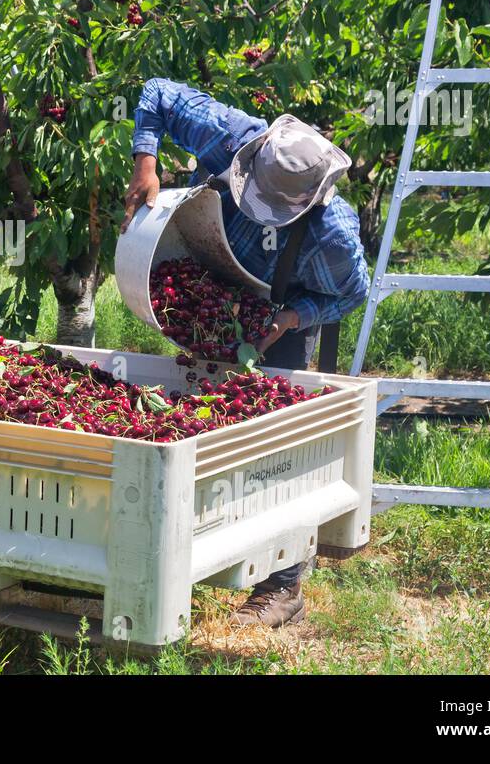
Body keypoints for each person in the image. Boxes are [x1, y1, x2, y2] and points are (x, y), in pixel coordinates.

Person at [122, 78, 370, 628]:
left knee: (276, 447)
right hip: (207, 292)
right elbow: (157, 93)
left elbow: (352, 294)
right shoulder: (235, 136)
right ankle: (201, 545)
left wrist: (287, 320)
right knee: (190, 424)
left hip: (271, 320)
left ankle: (282, 587)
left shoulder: (333, 237)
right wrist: (146, 162)